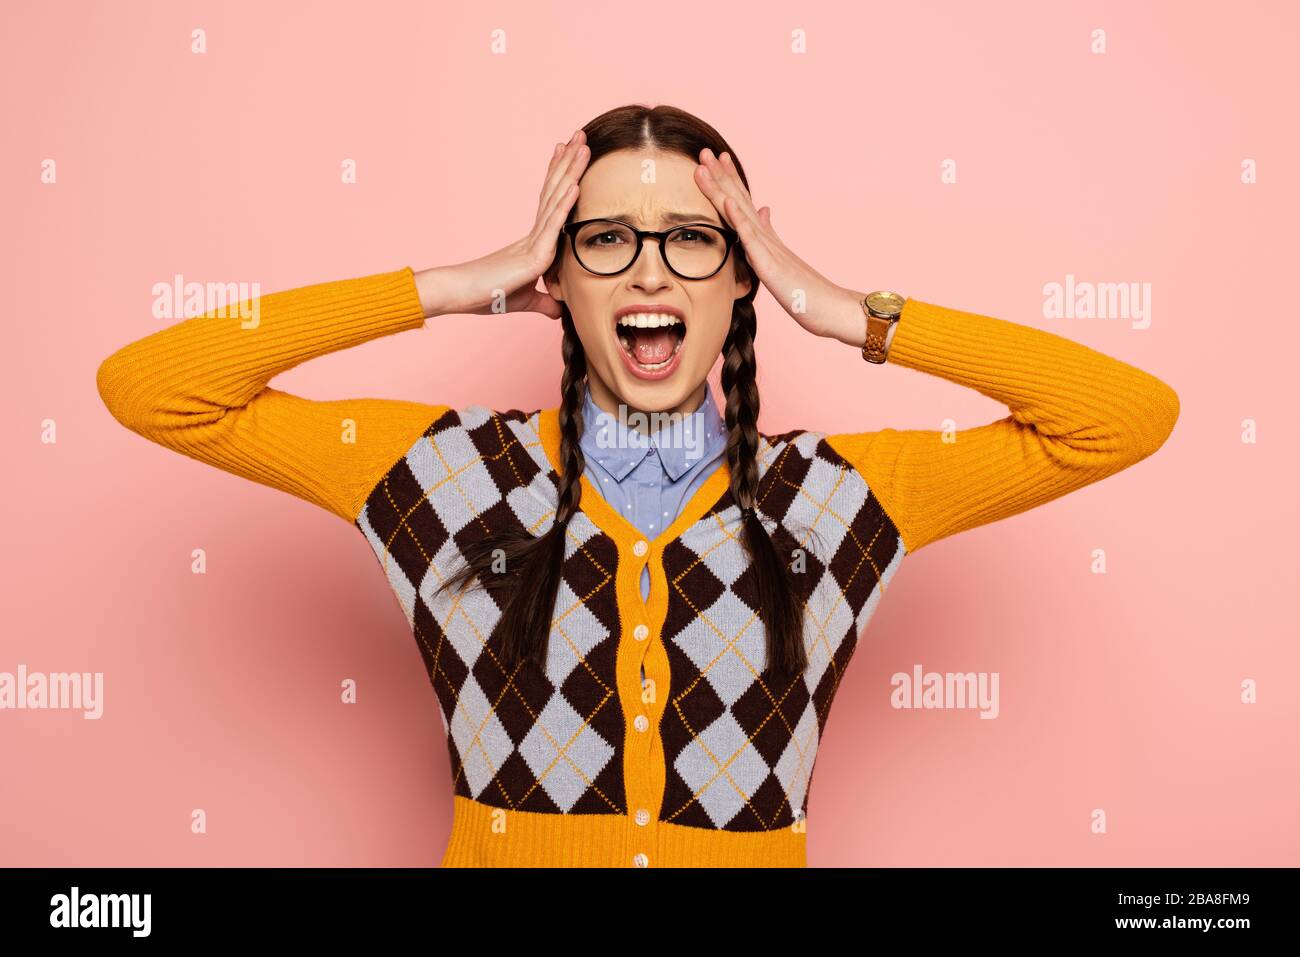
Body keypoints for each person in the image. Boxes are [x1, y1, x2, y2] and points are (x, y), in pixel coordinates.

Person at [96, 103, 1180, 868]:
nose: (651, 270)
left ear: (743, 274)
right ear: (554, 277)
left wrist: (843, 309)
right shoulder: (436, 473)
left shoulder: (842, 497)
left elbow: (1122, 418)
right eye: (605, 240)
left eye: (693, 241)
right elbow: (154, 389)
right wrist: (454, 286)